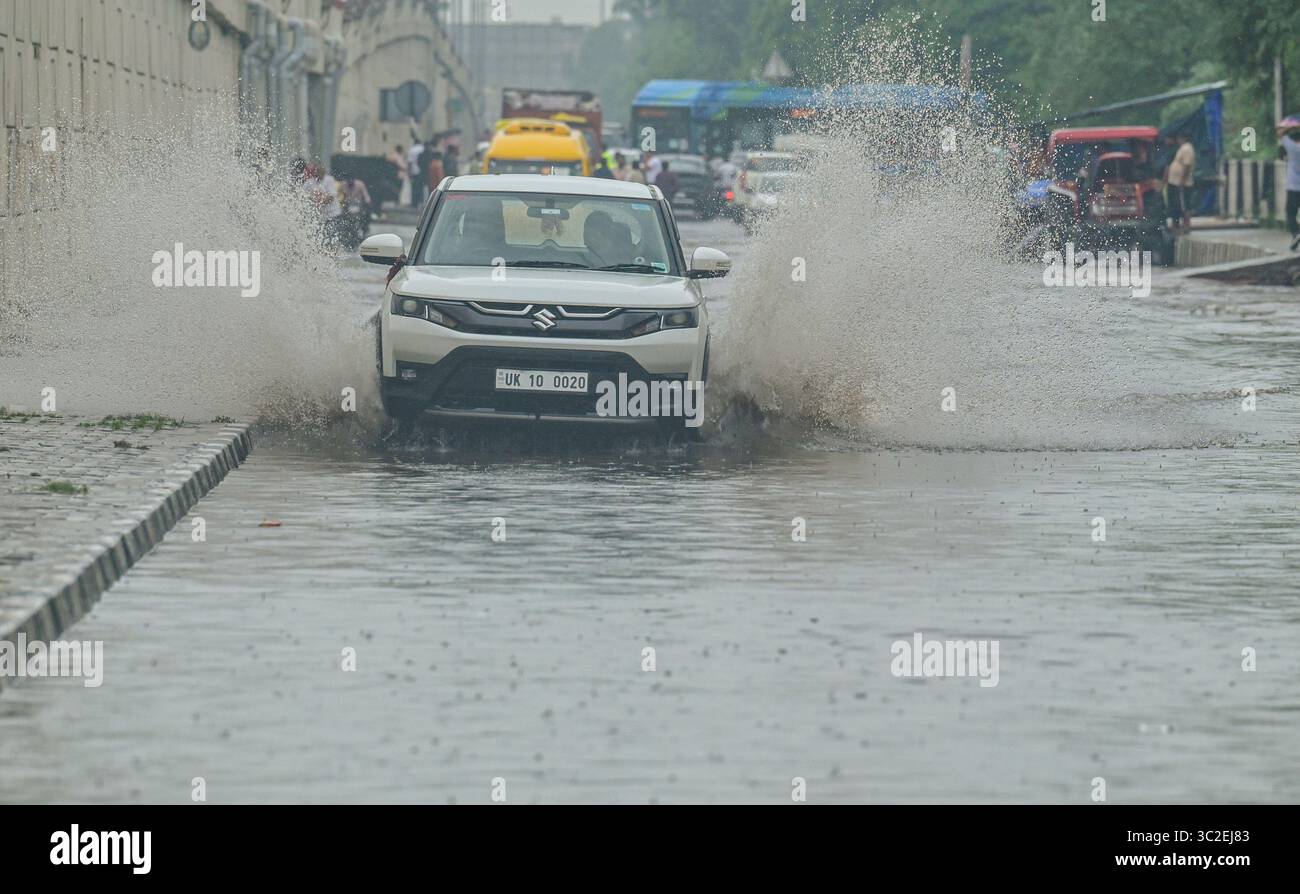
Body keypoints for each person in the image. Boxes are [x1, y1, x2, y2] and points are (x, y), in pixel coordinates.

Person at [1165, 132, 1195, 234]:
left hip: (1182, 183)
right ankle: (1175, 226)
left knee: (1183, 205)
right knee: (1175, 205)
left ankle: (1186, 226)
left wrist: (1182, 180)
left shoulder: (1187, 148)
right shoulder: (1181, 148)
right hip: (1174, 182)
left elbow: (1187, 166)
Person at [1278, 122, 1300, 251]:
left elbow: (1280, 133)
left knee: (1291, 213)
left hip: (1293, 188)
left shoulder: (1292, 148)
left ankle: (1296, 234)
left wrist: (1291, 127)